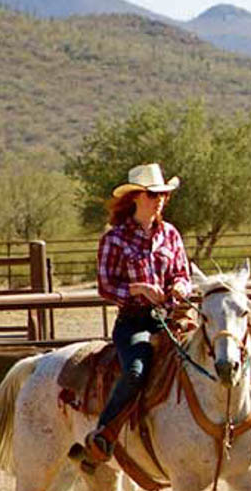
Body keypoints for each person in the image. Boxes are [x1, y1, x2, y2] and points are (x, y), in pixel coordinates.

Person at [73, 163, 193, 472]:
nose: (160, 199)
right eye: (153, 194)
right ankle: (104, 434)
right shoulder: (115, 239)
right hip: (134, 322)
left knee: (207, 356)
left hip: (172, 318)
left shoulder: (170, 234)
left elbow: (182, 273)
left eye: (163, 194)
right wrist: (137, 290)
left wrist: (179, 286)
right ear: (136, 197)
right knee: (136, 370)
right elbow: (106, 285)